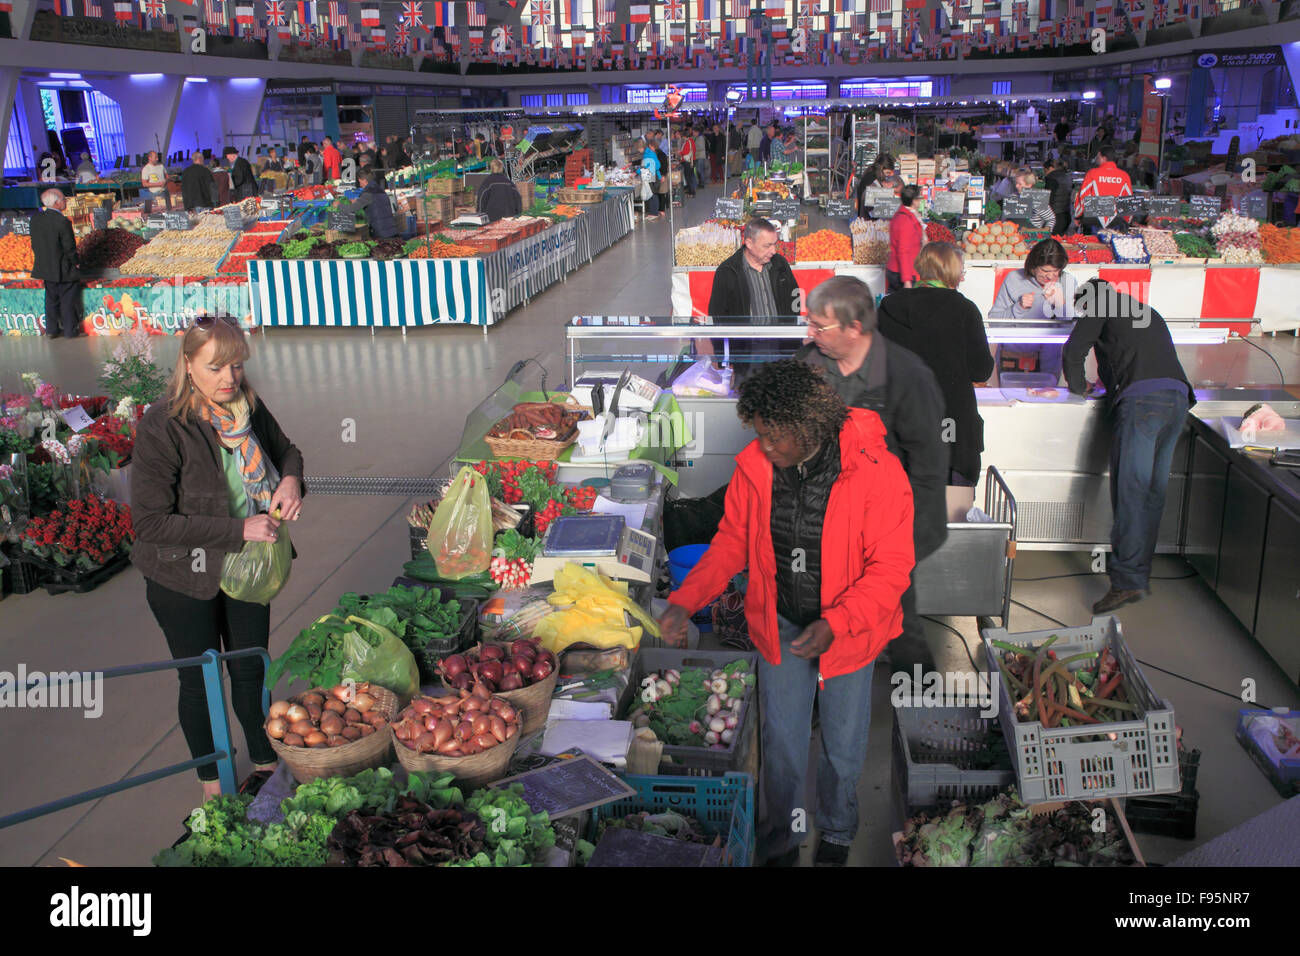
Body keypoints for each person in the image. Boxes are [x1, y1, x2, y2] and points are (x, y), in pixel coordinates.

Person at [657, 360, 915, 867]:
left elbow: (891, 568)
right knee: (782, 742)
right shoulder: (756, 465)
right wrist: (687, 599)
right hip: (782, 621)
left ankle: (838, 832)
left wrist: (836, 622)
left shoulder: (876, 471)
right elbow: (732, 541)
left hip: (850, 629)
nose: (765, 447)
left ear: (807, 426)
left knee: (842, 744)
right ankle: (781, 837)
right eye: (760, 435)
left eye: (775, 437)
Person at [131, 314, 305, 802]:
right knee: (202, 676)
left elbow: (286, 451)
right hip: (184, 575)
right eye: (215, 368)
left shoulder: (246, 405)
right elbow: (149, 523)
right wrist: (237, 528)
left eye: (236, 366)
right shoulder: (163, 426)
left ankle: (268, 764)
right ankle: (215, 785)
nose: (229, 378)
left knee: (251, 667)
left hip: (248, 566)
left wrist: (290, 479)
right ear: (188, 365)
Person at [793, 276, 949, 674]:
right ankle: (822, 690)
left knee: (897, 621)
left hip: (885, 528)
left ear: (854, 328)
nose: (810, 334)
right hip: (824, 522)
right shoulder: (808, 365)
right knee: (824, 610)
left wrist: (907, 542)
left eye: (819, 326)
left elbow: (929, 468)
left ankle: (923, 713)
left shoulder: (906, 376)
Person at [1063, 280, 1195, 613]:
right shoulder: (1147, 311)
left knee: (1131, 492)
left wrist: (1080, 387)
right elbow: (1132, 356)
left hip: (1143, 405)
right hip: (1177, 401)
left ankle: (1125, 582)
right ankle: (1137, 575)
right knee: (1151, 494)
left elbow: (1072, 349)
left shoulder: (1101, 305)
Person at [877, 242, 994, 486]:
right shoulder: (964, 310)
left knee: (901, 509)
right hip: (951, 430)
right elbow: (981, 370)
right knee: (950, 513)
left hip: (901, 425)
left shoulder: (888, 308)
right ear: (952, 271)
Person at [705, 217, 800, 370]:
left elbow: (794, 300)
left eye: (774, 244)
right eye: (767, 246)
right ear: (749, 243)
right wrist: (724, 358)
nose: (773, 251)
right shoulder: (728, 272)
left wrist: (794, 344)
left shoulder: (780, 265)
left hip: (780, 349)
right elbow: (717, 317)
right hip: (747, 353)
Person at [988, 238, 1077, 382]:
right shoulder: (1014, 279)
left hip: (1050, 363)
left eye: (1056, 272)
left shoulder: (1067, 282)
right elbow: (994, 323)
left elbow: (1073, 330)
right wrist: (1018, 308)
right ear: (1033, 266)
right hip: (1013, 358)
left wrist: (1061, 305)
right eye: (1045, 270)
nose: (1050, 276)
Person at [31, 189, 82, 339]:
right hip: (63, 267)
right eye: (64, 199)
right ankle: (70, 331)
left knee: (51, 298)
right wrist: (76, 262)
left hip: (45, 267)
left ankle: (52, 330)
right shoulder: (62, 222)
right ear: (56, 202)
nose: (65, 201)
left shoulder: (36, 219)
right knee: (68, 299)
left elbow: (34, 244)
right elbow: (69, 247)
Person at [1073, 145, 1133, 232]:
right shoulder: (1124, 176)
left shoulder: (1092, 173)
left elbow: (1083, 196)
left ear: (1104, 158)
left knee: (1092, 244)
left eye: (1098, 156)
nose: (1096, 159)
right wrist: (1127, 221)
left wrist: (1078, 216)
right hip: (1115, 219)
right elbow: (1128, 200)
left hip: (1093, 218)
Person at [886, 184, 924, 294]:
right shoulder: (905, 220)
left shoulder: (904, 215)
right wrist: (906, 280)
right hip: (903, 272)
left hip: (899, 269)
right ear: (914, 201)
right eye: (919, 198)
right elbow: (903, 251)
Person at [342, 170, 397, 239]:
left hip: (381, 231)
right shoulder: (379, 189)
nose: (359, 184)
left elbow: (352, 208)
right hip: (391, 228)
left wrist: (338, 205)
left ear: (364, 180)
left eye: (360, 182)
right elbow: (374, 202)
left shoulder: (368, 193)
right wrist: (358, 201)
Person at [853, 154, 897, 218]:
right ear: (881, 168)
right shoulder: (871, 179)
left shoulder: (871, 172)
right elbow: (870, 206)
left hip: (865, 214)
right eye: (887, 173)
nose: (887, 176)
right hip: (868, 218)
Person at [1044, 156, 1073, 235]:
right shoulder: (1067, 177)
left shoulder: (1052, 178)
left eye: (1045, 171)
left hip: (1055, 216)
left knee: (1051, 242)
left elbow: (1048, 198)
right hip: (1066, 214)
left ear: (1050, 168)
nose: (1045, 174)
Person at [639, 137, 662, 220]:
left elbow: (644, 166)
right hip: (652, 175)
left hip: (651, 176)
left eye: (639, 149)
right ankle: (653, 212)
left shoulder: (648, 154)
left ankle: (654, 213)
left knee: (653, 194)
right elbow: (657, 166)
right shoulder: (650, 153)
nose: (639, 150)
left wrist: (638, 171)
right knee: (652, 194)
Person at [679, 128, 697, 198]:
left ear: (684, 136)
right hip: (692, 160)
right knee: (691, 176)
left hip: (687, 162)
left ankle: (692, 192)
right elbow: (694, 150)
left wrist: (679, 152)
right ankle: (691, 191)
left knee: (688, 177)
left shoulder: (687, 142)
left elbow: (685, 152)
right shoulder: (691, 141)